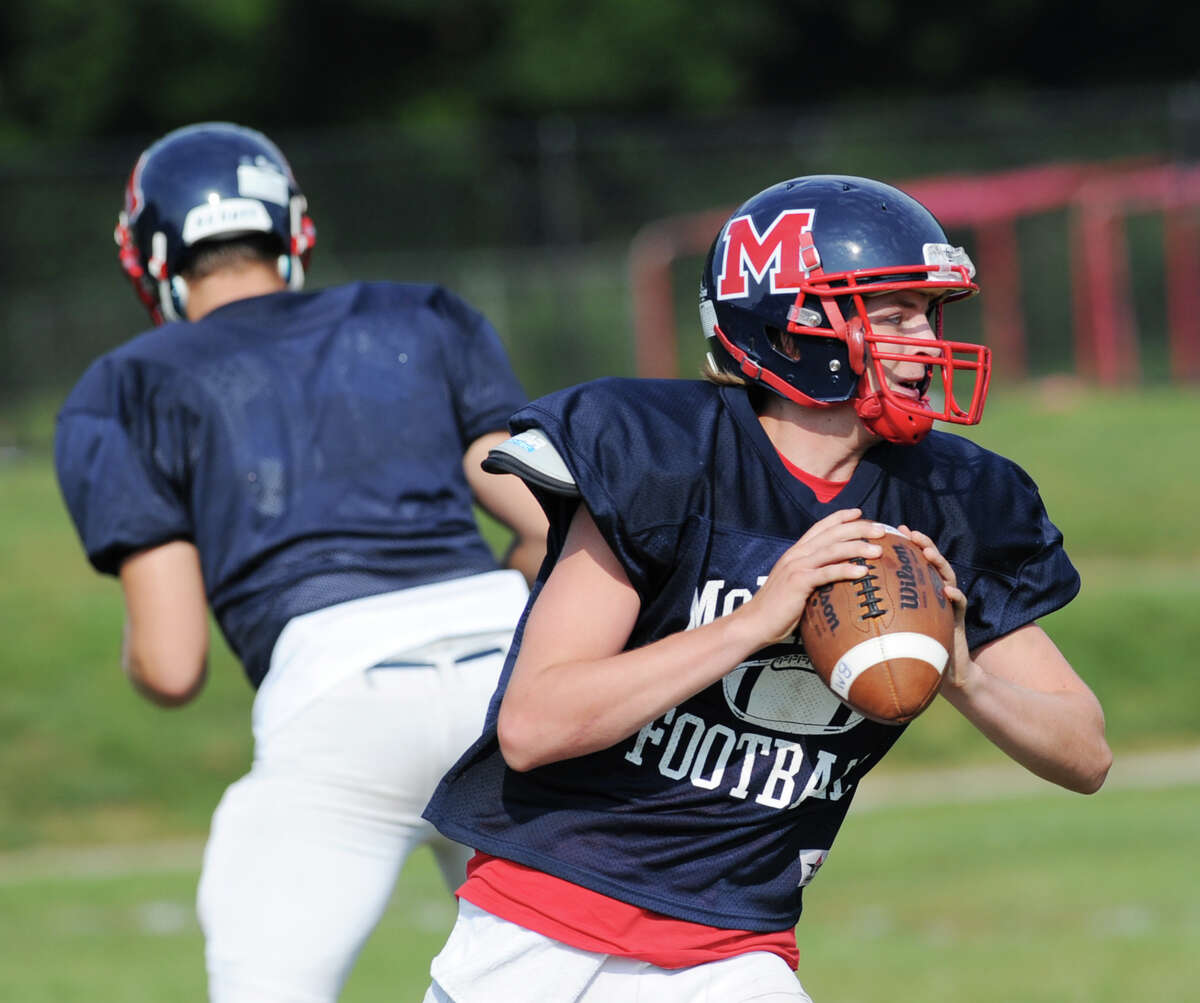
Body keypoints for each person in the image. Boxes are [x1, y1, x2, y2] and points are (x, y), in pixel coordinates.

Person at [419, 174, 1112, 1002]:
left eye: (930, 313)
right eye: (893, 315)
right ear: (795, 328)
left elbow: (1086, 751)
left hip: (734, 948)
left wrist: (963, 672)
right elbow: (534, 724)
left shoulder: (950, 500)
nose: (926, 340)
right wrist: (755, 620)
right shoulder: (666, 456)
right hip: (541, 934)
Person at [53, 121, 548, 1003]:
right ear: (293, 229)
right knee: (581, 973)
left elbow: (171, 665)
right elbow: (545, 519)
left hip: (338, 699)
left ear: (152, 256)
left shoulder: (125, 385)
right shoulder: (420, 317)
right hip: (506, 675)